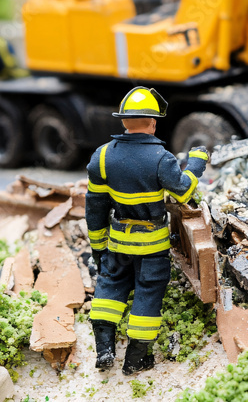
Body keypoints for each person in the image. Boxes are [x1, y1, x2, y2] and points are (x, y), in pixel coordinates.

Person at [86, 87, 208, 375]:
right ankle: (136, 360)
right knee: (148, 295)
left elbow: (95, 207)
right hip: (152, 247)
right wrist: (197, 162)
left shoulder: (102, 157)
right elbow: (184, 190)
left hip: (118, 242)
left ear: (123, 121)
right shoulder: (161, 158)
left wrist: (97, 245)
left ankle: (104, 350)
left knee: (109, 287)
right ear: (153, 122)